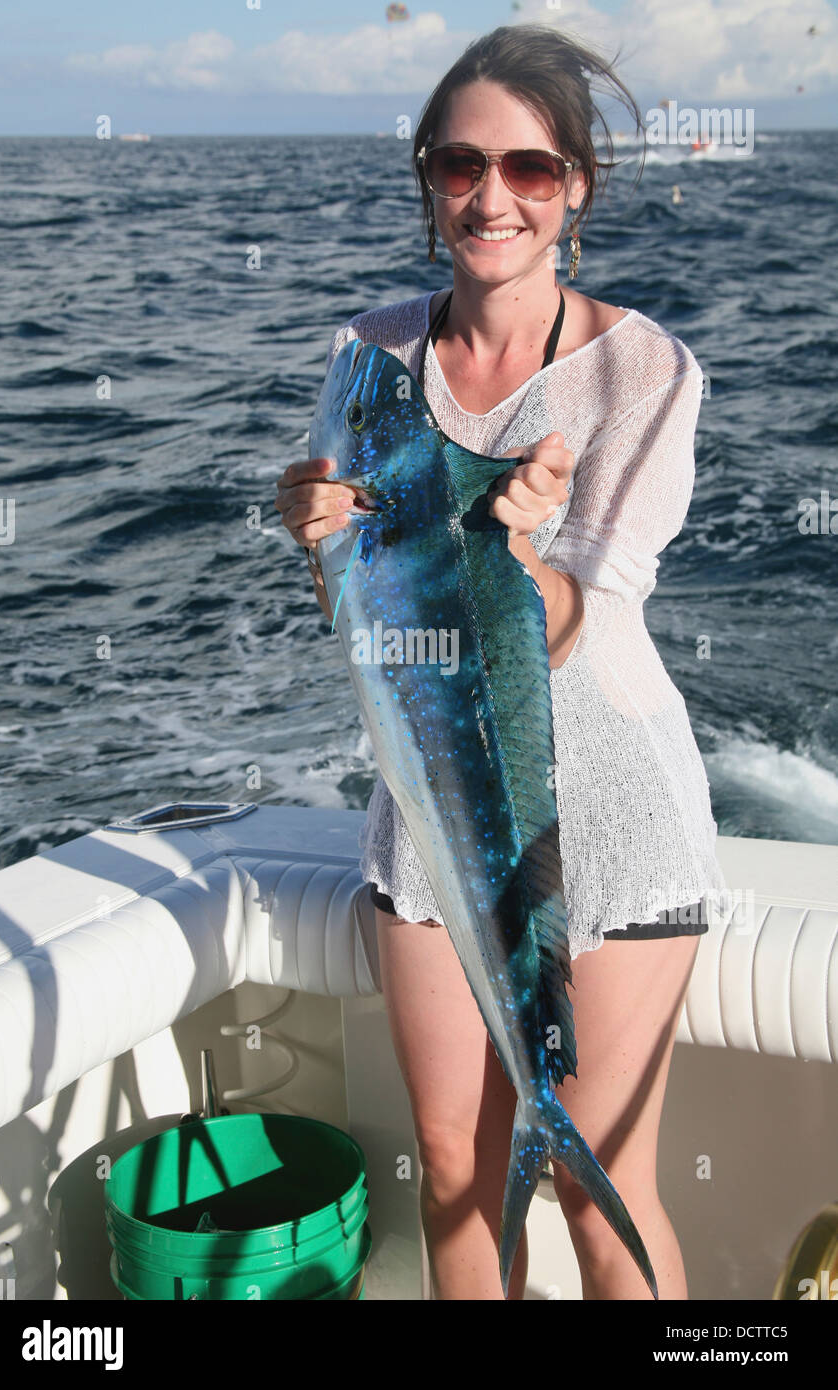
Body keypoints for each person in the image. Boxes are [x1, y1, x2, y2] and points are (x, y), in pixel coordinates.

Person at [275, 24, 725, 1301]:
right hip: (432, 811)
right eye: (459, 163)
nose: (491, 197)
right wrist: (313, 529)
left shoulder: (645, 368)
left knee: (596, 1190)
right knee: (454, 1170)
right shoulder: (369, 354)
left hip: (610, 818)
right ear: (426, 178)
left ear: (575, 185)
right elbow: (362, 613)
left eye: (529, 169)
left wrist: (514, 549)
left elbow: (585, 620)